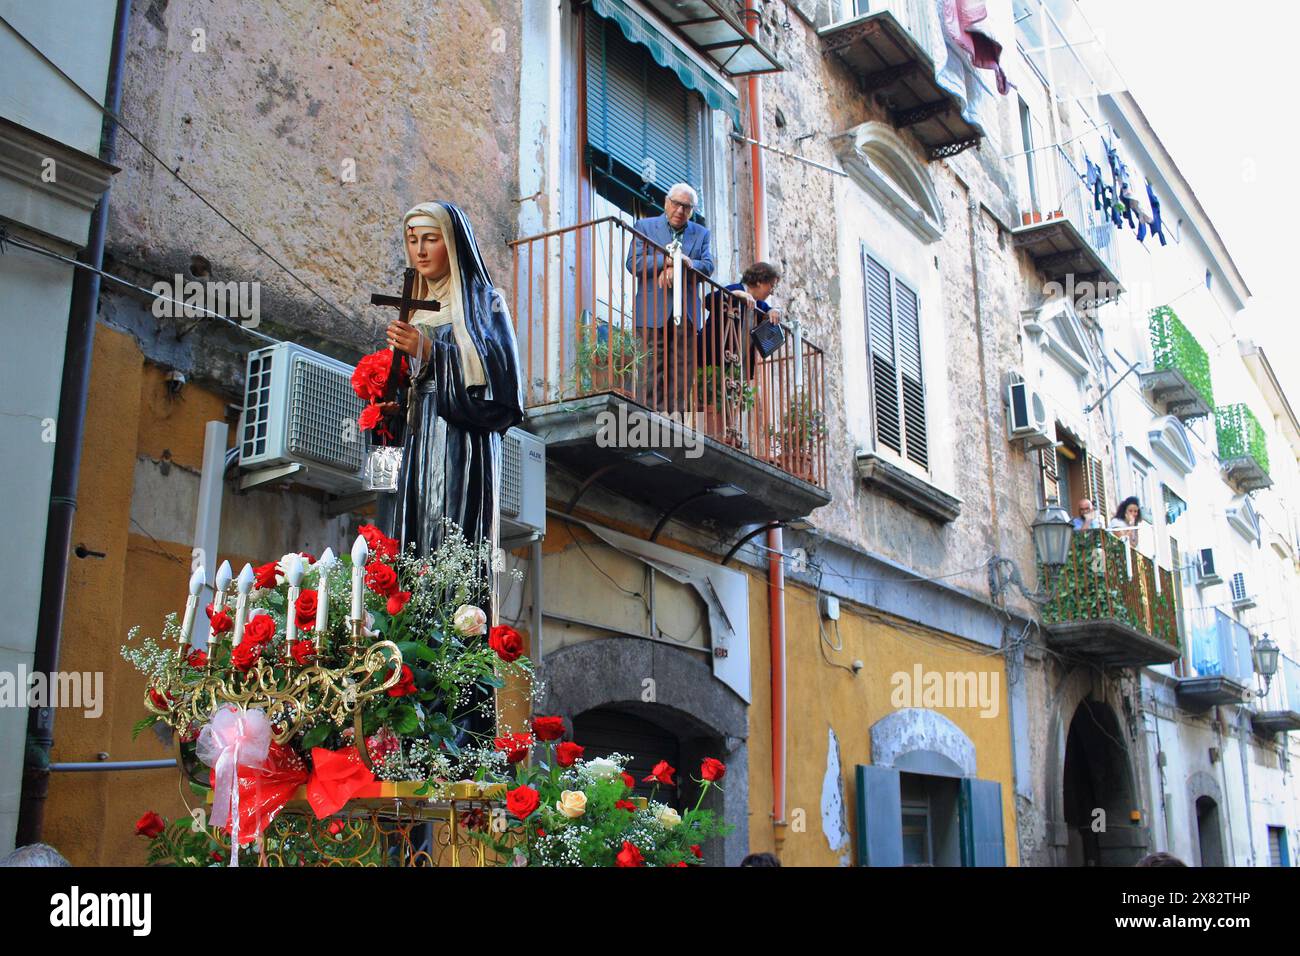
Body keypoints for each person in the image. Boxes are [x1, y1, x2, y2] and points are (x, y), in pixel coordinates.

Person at [624, 183, 715, 412]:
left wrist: (686, 263)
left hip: (686, 312)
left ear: (692, 210)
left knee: (682, 369)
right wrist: (667, 261)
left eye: (687, 207)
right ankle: (650, 414)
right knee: (649, 365)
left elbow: (708, 266)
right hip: (652, 309)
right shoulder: (644, 226)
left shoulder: (701, 233)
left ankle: (676, 419)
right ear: (666, 202)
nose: (680, 211)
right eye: (676, 204)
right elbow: (633, 263)